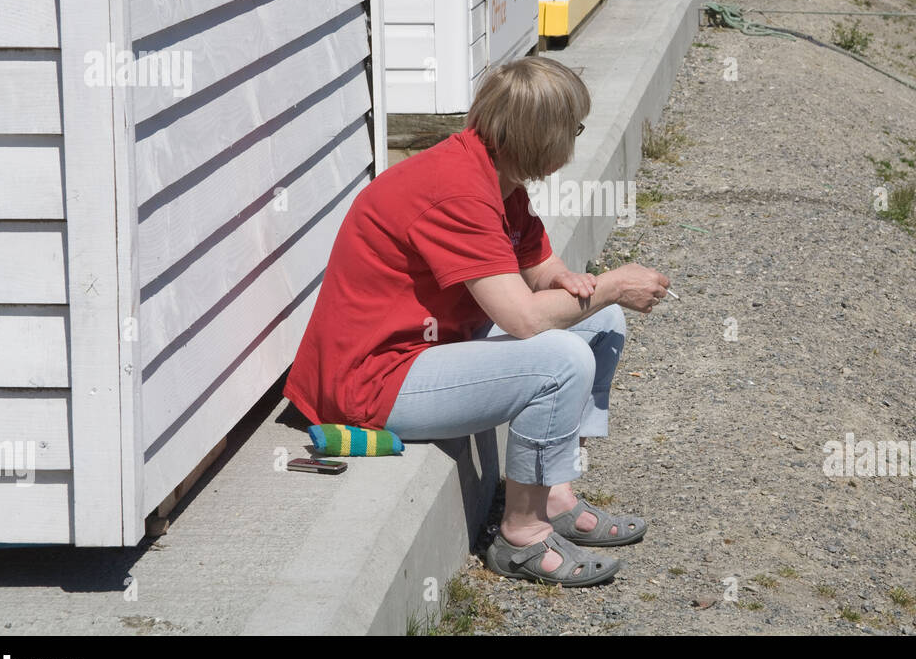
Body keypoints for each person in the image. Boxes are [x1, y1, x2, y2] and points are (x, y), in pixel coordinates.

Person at [283, 57, 671, 587]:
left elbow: (541, 269)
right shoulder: (459, 191)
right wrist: (611, 286)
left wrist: (577, 286)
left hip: (426, 348)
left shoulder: (495, 174)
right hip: (371, 380)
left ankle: (554, 495)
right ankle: (522, 537)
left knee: (602, 327)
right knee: (562, 357)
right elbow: (526, 319)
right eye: (573, 129)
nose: (575, 140)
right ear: (542, 138)